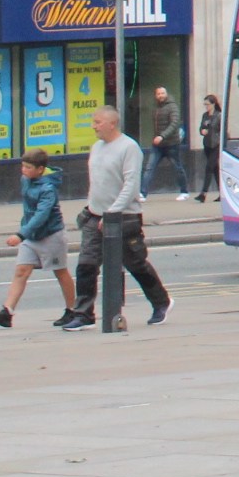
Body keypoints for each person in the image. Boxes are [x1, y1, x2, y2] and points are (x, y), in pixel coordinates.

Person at [57, 106, 172, 329]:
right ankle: (83, 314)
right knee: (86, 265)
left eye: (97, 122)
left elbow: (131, 184)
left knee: (135, 263)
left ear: (112, 123)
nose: (93, 126)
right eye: (93, 121)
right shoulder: (97, 147)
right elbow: (97, 182)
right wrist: (90, 208)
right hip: (95, 215)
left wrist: (113, 212)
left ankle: (161, 302)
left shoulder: (129, 148)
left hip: (124, 217)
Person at [0, 149, 75, 328]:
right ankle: (7, 312)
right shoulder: (26, 180)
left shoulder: (48, 188)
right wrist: (25, 232)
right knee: (21, 271)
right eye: (22, 166)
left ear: (40, 169)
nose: (23, 170)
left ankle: (72, 310)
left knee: (60, 272)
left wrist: (20, 234)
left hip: (51, 236)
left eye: (28, 167)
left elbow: (42, 215)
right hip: (31, 237)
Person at [143, 84, 189, 197]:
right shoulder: (156, 108)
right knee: (149, 168)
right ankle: (142, 193)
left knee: (178, 168)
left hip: (171, 144)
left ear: (166, 94)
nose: (160, 96)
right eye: (158, 94)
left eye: (162, 93)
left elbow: (174, 123)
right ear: (156, 96)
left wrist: (162, 136)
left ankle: (184, 192)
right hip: (158, 145)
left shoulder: (172, 107)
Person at [191, 94, 223, 201]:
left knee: (209, 167)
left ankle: (203, 193)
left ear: (213, 104)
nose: (206, 107)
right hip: (207, 144)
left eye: (208, 104)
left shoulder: (219, 115)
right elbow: (201, 127)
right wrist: (202, 131)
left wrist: (219, 140)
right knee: (214, 169)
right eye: (205, 105)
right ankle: (223, 193)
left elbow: (223, 131)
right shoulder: (205, 115)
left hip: (216, 145)